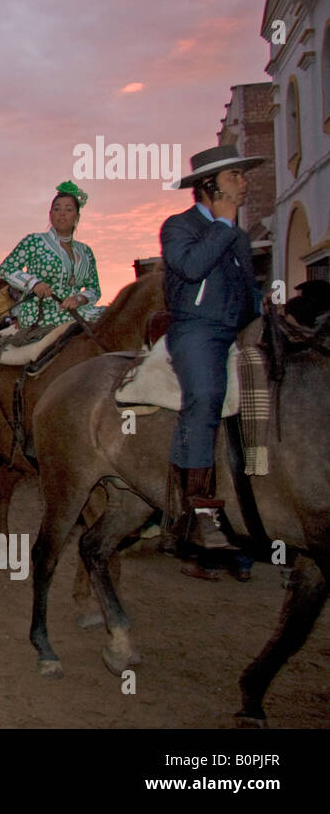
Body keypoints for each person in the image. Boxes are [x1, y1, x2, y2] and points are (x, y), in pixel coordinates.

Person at [160, 144, 264, 556]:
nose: (244, 182)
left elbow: (249, 286)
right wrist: (223, 225)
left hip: (237, 327)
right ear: (209, 187)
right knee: (203, 397)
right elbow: (190, 268)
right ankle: (197, 507)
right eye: (234, 177)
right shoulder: (178, 226)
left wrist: (262, 315)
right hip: (197, 329)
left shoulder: (236, 232)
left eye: (243, 174)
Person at [0, 181, 101, 328]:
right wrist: (34, 283)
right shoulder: (34, 241)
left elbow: (95, 289)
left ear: (77, 217)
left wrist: (79, 299)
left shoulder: (85, 251)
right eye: (57, 209)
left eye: (68, 209)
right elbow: (6, 268)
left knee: (115, 315)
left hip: (77, 309)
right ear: (50, 214)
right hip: (39, 311)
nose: (62, 213)